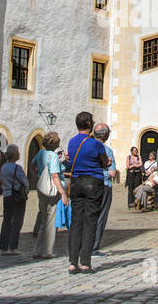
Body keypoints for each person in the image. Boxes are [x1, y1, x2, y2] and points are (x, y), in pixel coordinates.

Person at [65, 111, 109, 271]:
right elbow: (105, 163)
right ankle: (85, 262)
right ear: (89, 124)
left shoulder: (71, 142)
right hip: (93, 183)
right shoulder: (96, 144)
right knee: (90, 221)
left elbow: (71, 160)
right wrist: (106, 161)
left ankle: (72, 262)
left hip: (76, 182)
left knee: (76, 221)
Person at [32, 131, 68, 259]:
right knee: (51, 221)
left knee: (43, 220)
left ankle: (37, 250)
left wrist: (38, 177)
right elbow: (54, 175)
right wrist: (63, 193)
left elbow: (32, 166)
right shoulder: (53, 156)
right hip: (52, 190)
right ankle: (47, 250)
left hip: (41, 189)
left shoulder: (40, 153)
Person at [0, 144, 29, 255]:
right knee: (17, 221)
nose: (19, 154)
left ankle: (4, 247)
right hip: (17, 196)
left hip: (7, 195)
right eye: (18, 152)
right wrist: (26, 190)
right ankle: (13, 247)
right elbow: (25, 182)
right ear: (14, 155)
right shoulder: (17, 168)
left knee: (6, 221)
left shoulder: (4, 167)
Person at [92, 123, 116, 254]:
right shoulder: (107, 151)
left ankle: (83, 246)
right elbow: (112, 173)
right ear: (106, 135)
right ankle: (94, 247)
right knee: (101, 216)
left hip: (85, 185)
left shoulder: (84, 147)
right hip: (104, 186)